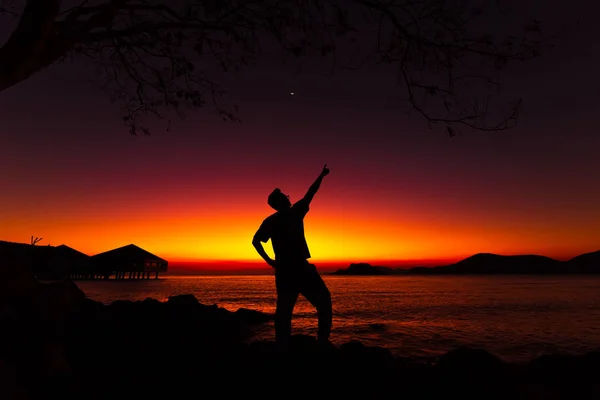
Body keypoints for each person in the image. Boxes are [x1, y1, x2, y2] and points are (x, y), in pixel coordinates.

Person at [252, 164, 332, 347]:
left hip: (284, 270)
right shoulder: (295, 212)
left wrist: (269, 261)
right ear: (280, 202)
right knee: (323, 302)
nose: (288, 198)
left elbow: (255, 241)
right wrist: (322, 175)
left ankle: (282, 344)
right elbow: (311, 192)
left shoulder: (270, 221)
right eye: (285, 197)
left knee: (284, 311)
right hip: (300, 268)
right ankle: (322, 342)